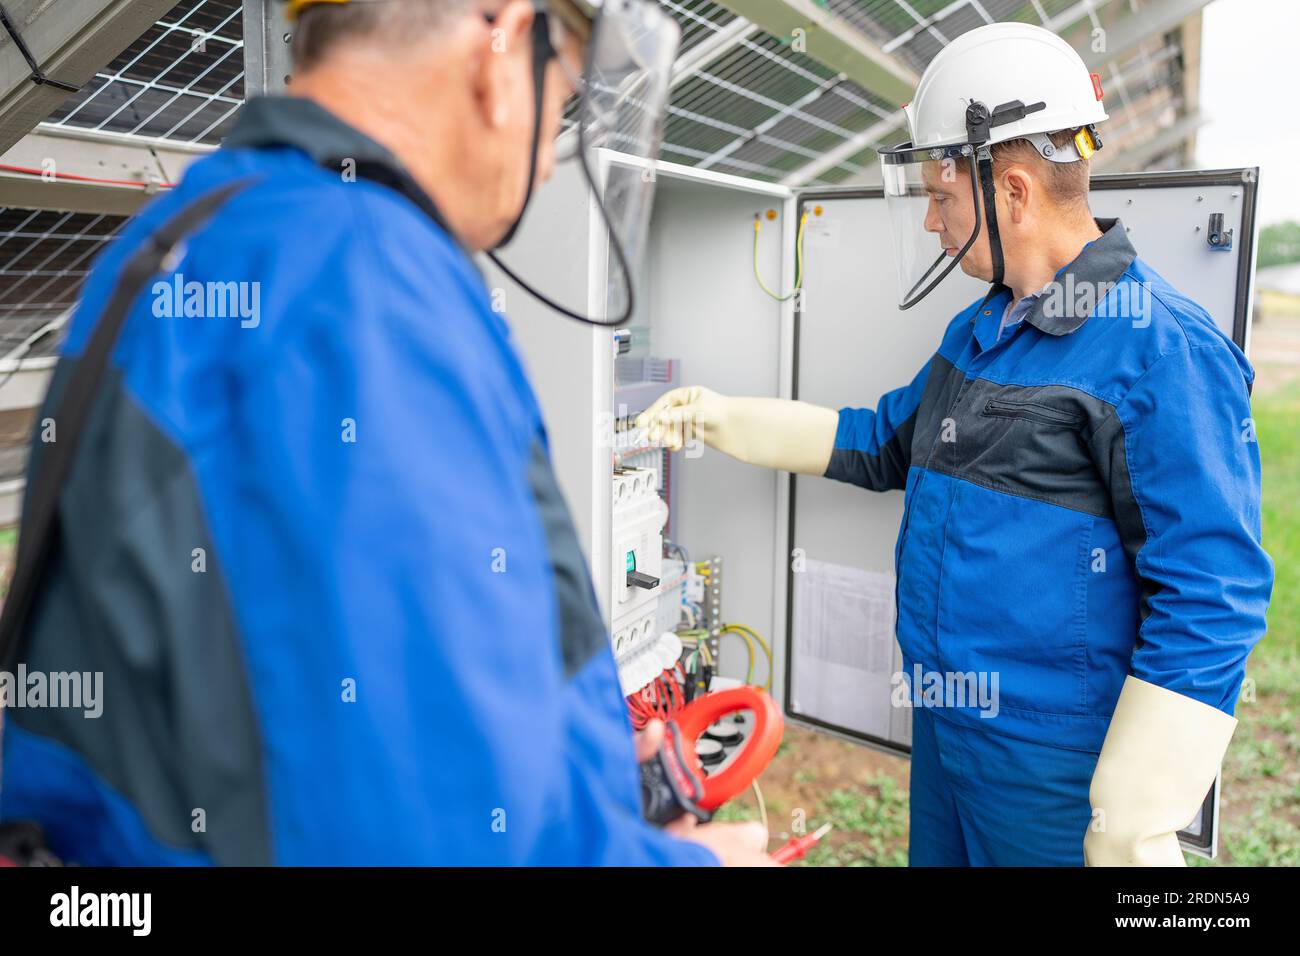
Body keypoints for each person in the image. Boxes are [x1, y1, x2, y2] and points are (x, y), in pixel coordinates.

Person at [0, 0, 771, 866]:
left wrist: (575, 781)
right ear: (505, 39)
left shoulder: (187, 231)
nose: (553, 166)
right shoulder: (362, 282)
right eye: (561, 104)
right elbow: (417, 833)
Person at [639, 22, 1273, 867]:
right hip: (947, 732)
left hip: (1057, 766)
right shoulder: (977, 332)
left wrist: (1135, 811)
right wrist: (717, 416)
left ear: (1011, 189)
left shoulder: (1161, 348)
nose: (933, 224)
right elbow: (876, 445)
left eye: (942, 198)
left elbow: (1212, 591)